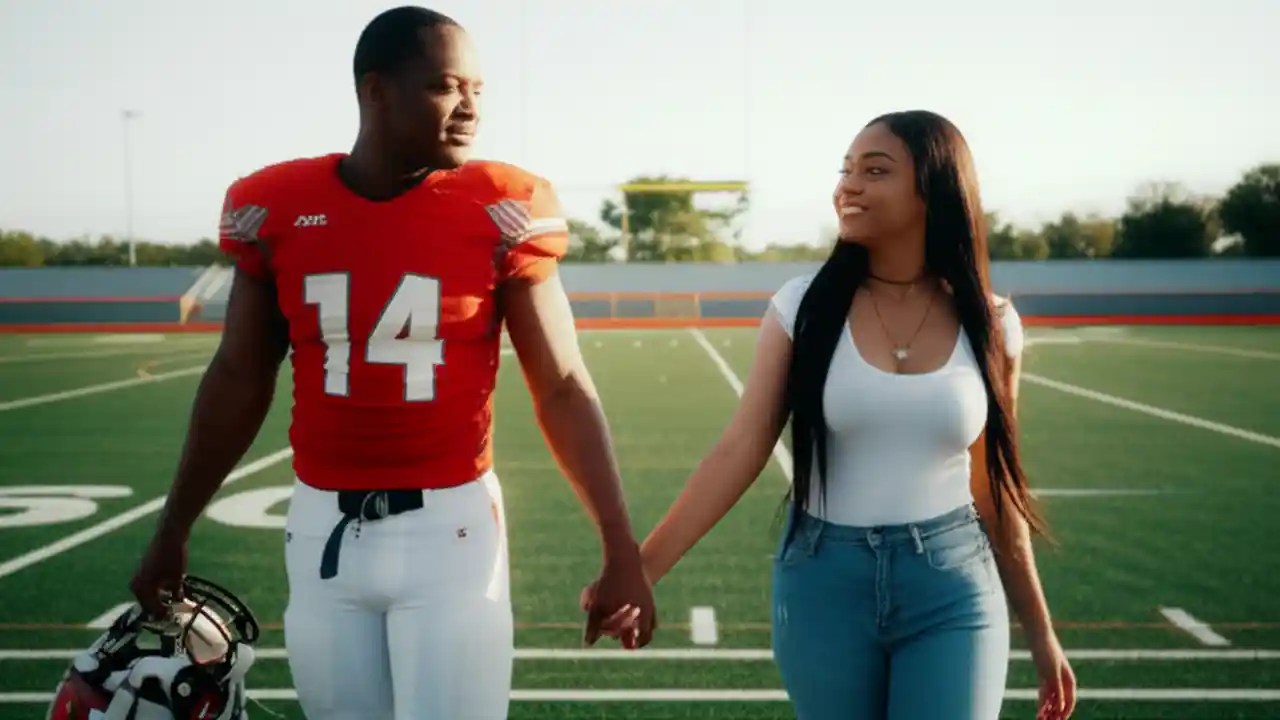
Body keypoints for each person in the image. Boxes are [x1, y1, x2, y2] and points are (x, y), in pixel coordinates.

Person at [129, 6, 656, 719]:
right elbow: (238, 378)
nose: (470, 107)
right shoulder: (275, 208)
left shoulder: (502, 206)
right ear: (375, 91)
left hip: (452, 533)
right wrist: (173, 527)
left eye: (477, 88)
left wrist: (618, 542)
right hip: (320, 533)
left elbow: (561, 384)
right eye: (446, 86)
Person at [589, 110, 1077, 720]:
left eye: (875, 171)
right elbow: (740, 449)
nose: (848, 186)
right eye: (845, 171)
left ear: (935, 188)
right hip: (824, 582)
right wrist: (641, 570)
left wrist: (1040, 631)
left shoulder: (994, 324)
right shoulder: (801, 308)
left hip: (952, 583)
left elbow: (995, 488)